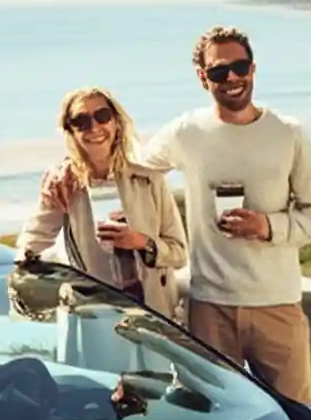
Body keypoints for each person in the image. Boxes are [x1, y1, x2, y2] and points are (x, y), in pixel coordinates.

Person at [42, 26, 311, 405]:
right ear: (203, 77)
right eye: (218, 71)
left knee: (296, 417)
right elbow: (124, 163)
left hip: (276, 304)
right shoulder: (186, 132)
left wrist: (268, 226)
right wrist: (66, 165)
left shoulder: (289, 133)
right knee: (217, 418)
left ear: (253, 68)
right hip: (208, 308)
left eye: (239, 67)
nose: (231, 78)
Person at [16, 86, 188, 319]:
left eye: (102, 116)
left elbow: (178, 253)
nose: (94, 127)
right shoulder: (65, 184)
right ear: (70, 131)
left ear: (116, 122)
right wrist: (23, 280)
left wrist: (141, 242)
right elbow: (33, 242)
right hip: (95, 314)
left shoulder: (148, 180)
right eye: (81, 121)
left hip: (153, 313)